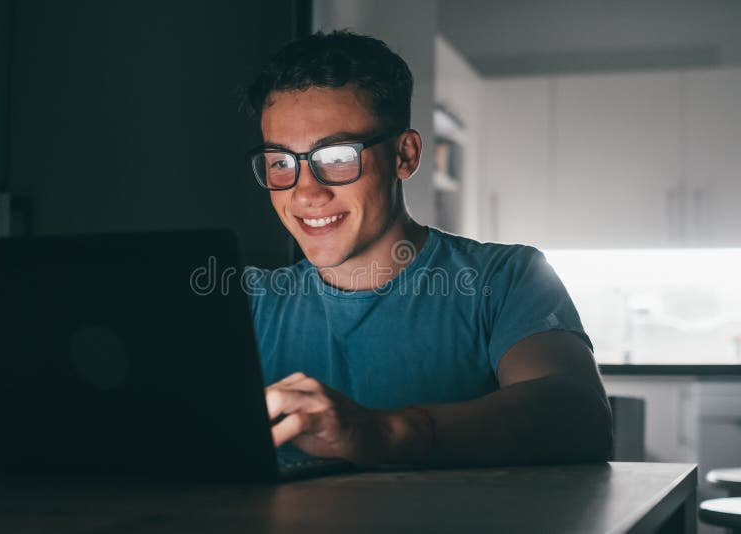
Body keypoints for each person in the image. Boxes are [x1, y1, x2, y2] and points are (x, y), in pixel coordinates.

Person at [241, 30, 612, 467]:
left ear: (405, 155)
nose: (306, 192)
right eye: (281, 162)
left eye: (337, 156)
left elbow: (580, 418)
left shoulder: (507, 278)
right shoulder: (250, 304)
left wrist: (384, 433)